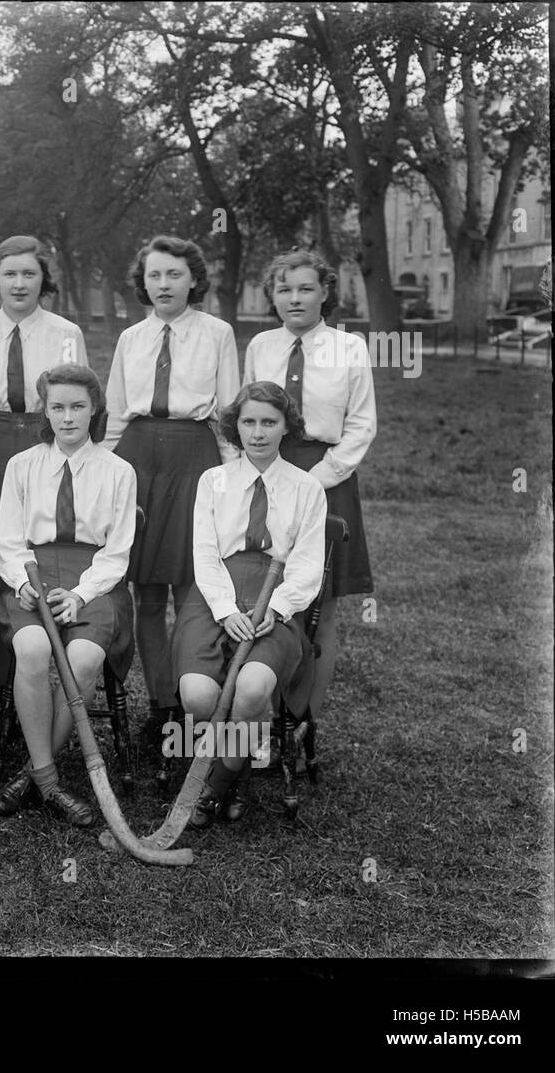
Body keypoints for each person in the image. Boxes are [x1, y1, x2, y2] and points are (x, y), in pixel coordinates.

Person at [103, 235, 239, 747]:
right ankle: (161, 704)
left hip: (193, 457)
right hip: (138, 458)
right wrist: (111, 477)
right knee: (144, 590)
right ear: (143, 281)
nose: (164, 284)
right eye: (155, 275)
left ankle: (193, 696)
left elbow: (229, 413)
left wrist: (229, 481)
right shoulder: (130, 339)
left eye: (174, 275)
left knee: (191, 586)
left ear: (193, 280)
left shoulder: (217, 333)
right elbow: (116, 414)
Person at [170, 380, 326, 825]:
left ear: (285, 427)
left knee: (253, 689)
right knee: (198, 696)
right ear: (235, 427)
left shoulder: (305, 488)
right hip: (214, 592)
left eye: (269, 422)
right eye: (249, 422)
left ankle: (213, 789)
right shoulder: (213, 481)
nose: (258, 432)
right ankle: (237, 774)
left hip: (275, 597)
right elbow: (203, 553)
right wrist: (225, 609)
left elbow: (308, 565)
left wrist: (275, 609)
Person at [0, 235, 87, 736]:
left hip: (41, 439)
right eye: (10, 274)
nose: (19, 283)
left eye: (29, 274)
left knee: (28, 557)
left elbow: (77, 403)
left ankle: (21, 698)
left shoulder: (66, 332)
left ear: (42, 279)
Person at [0, 364, 138, 828]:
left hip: (95, 580)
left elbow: (117, 554)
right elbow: (10, 544)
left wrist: (79, 595)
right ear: (46, 410)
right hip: (32, 576)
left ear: (94, 409)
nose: (69, 417)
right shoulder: (22, 466)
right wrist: (23, 585)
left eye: (78, 407)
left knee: (81, 662)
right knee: (33, 651)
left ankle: (35, 772)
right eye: (58, 407)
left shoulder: (118, 470)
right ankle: (50, 781)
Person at [243, 249, 375, 725]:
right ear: (272, 297)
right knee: (270, 597)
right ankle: (261, 718)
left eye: (305, 288)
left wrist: (313, 481)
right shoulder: (260, 346)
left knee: (322, 605)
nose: (294, 298)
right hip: (269, 472)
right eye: (284, 289)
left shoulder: (350, 348)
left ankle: (302, 723)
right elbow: (248, 417)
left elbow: (361, 426)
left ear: (325, 294)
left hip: (327, 477)